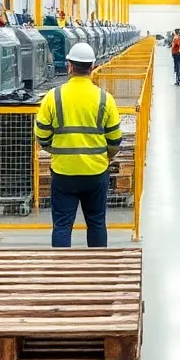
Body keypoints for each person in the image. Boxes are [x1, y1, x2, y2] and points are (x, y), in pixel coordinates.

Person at [33, 42, 123, 247]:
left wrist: (56, 151)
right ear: (91, 67)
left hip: (64, 173)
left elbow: (42, 135)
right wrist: (104, 157)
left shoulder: (52, 97)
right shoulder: (105, 99)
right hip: (95, 172)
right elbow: (115, 140)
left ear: (69, 67)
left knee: (62, 226)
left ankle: (61, 274)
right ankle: (97, 271)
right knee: (97, 222)